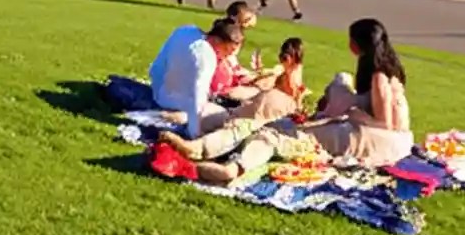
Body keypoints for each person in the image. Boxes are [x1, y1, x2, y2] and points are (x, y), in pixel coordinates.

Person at [194, 18, 412, 184]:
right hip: (383, 139)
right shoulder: (388, 69)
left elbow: (386, 123)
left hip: (374, 140)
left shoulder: (379, 77)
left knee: (280, 133)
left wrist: (349, 111)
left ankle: (234, 166)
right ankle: (228, 157)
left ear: (359, 44)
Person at [160, 38, 308, 160]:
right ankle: (183, 124)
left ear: (294, 56)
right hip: (248, 109)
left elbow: (294, 103)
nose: (282, 58)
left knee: (230, 131)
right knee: (213, 118)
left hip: (259, 116)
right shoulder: (285, 72)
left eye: (286, 55)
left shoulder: (294, 77)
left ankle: (195, 147)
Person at [148, 17, 245, 139]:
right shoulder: (206, 57)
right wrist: (195, 133)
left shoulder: (185, 30)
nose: (228, 55)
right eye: (227, 50)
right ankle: (180, 117)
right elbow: (198, 97)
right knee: (226, 116)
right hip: (178, 102)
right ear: (216, 40)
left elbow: (158, 65)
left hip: (160, 90)